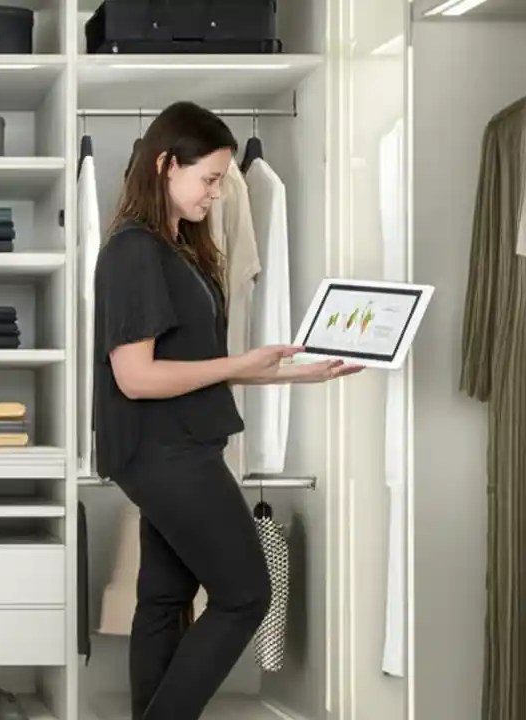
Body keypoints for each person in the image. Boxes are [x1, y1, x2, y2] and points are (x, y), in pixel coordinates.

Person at [93, 101, 362, 720]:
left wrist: (296, 374)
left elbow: (191, 366)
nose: (217, 194)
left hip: (172, 445)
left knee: (166, 595)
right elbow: (135, 378)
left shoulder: (176, 246)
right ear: (165, 164)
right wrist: (241, 366)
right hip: (166, 451)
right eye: (210, 178)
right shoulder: (135, 251)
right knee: (246, 593)